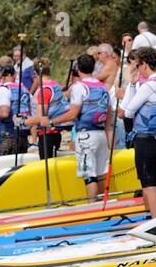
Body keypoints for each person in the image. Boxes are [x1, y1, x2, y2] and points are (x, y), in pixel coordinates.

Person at [121, 46, 156, 216]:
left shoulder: (149, 86)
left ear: (144, 64)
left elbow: (127, 111)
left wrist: (132, 85)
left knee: (149, 185)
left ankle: (155, 222)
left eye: (137, 66)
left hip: (147, 140)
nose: (136, 69)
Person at [48, 53, 113, 201]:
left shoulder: (79, 87)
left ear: (78, 68)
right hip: (101, 134)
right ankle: (103, 207)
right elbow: (109, 114)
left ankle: (92, 207)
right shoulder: (103, 87)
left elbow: (72, 114)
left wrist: (52, 122)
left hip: (86, 136)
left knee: (90, 176)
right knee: (100, 174)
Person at [24, 58, 68, 161]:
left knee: (47, 167)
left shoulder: (45, 90)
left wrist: (23, 122)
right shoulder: (55, 85)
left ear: (35, 73)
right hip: (55, 133)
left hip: (47, 135)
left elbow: (41, 118)